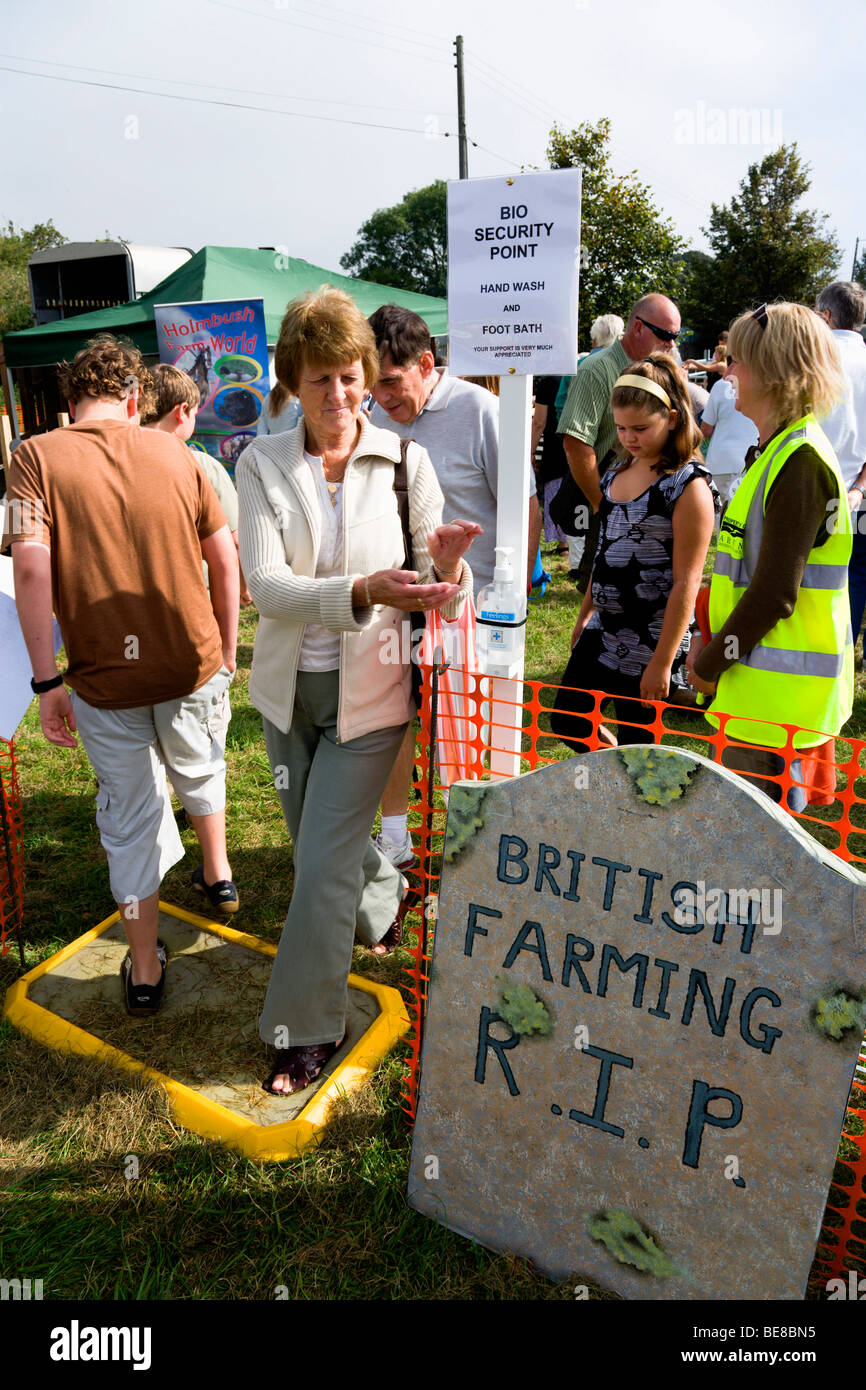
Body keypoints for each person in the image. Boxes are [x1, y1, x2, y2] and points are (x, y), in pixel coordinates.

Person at [236, 288, 478, 1095]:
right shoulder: (262, 462)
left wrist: (447, 566)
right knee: (321, 852)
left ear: (368, 374)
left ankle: (304, 1029)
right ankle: (386, 895)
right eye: (318, 381)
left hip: (371, 698)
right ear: (290, 382)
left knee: (322, 865)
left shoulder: (409, 462)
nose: (338, 396)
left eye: (349, 377)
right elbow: (267, 590)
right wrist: (364, 590)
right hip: (285, 695)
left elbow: (436, 584)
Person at [2, 335, 240, 1016]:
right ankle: (218, 871)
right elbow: (224, 561)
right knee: (200, 766)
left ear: (69, 398)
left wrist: (47, 683)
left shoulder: (34, 457)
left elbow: (30, 566)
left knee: (130, 820)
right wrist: (227, 649)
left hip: (105, 677)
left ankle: (142, 965)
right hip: (191, 659)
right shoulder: (179, 453)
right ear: (136, 399)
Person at [367, 302, 541, 867]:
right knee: (394, 718)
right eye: (374, 384)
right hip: (397, 601)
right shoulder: (373, 418)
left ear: (426, 361)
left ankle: (476, 844)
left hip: (475, 608)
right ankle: (397, 838)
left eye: (391, 381)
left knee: (469, 734)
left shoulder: (482, 410)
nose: (383, 396)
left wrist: (513, 596)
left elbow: (525, 504)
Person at [687, 302, 852, 809]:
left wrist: (710, 664)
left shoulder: (799, 461)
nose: (727, 371)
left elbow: (776, 593)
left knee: (753, 865)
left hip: (776, 710)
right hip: (760, 698)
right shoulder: (778, 449)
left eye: (737, 360)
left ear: (774, 371)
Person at [551, 355, 715, 752]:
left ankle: (633, 799)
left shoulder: (687, 486)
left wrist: (662, 662)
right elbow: (606, 551)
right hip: (603, 626)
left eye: (640, 428)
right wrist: (585, 610)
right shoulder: (614, 475)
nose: (629, 437)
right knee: (567, 717)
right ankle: (614, 770)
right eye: (621, 428)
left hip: (652, 636)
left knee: (639, 742)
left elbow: (687, 582)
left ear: (672, 419)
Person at [557, 293, 682, 590]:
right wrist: (603, 506)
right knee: (603, 590)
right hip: (613, 501)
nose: (672, 344)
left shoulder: (662, 370)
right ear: (637, 328)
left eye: (676, 336)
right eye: (665, 335)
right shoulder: (596, 369)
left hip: (654, 501)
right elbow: (576, 443)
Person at [142, 363, 252, 605]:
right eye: (194, 412)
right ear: (182, 412)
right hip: (198, 594)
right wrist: (244, 585)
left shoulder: (118, 463)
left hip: (135, 597)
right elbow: (235, 538)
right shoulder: (202, 465)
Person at [814, 281, 866, 656]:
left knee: (807, 577)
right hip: (857, 494)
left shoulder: (814, 357)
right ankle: (842, 653)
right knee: (856, 574)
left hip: (812, 489)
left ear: (826, 315)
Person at [700, 373, 759, 508]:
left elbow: (706, 430)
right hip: (751, 460)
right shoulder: (762, 383)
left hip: (720, 461)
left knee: (717, 515)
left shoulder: (720, 385)